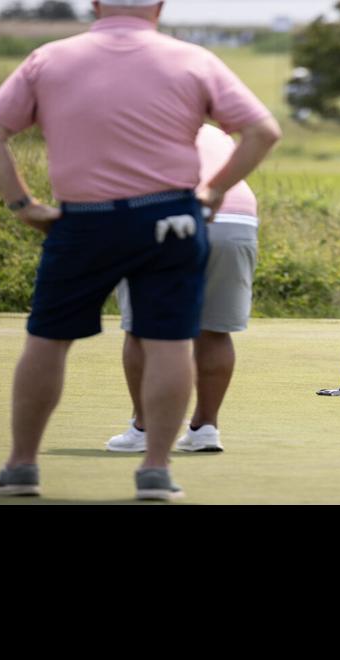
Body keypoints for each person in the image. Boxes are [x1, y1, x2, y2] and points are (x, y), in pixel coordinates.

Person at [0, 1, 280, 501]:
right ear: (158, 6)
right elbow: (263, 131)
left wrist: (23, 205)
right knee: (168, 342)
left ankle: (22, 465)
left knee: (47, 340)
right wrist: (214, 191)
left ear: (94, 3)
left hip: (84, 219)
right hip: (171, 217)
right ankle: (155, 470)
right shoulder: (192, 59)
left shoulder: (49, 57)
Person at [105, 123, 259, 455]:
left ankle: (144, 428)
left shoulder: (132, 125)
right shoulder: (214, 132)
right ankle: (205, 429)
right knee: (214, 330)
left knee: (142, 330)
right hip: (237, 220)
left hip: (167, 217)